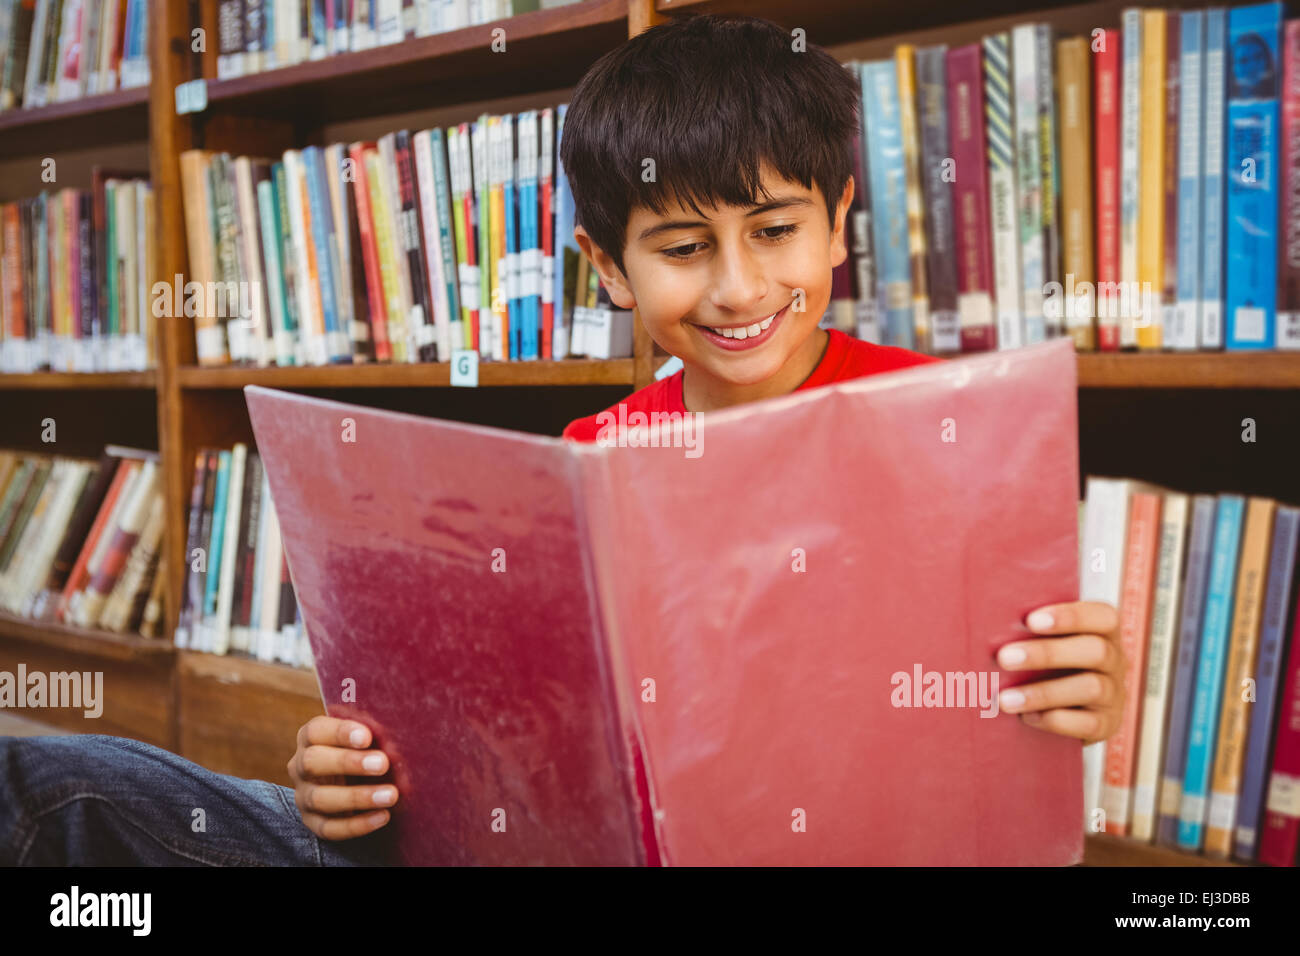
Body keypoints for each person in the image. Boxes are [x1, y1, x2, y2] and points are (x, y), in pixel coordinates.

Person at [0, 14, 1123, 865]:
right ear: (608, 271)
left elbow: (1018, 710)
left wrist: (1074, 698)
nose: (737, 287)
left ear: (837, 224)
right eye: (682, 246)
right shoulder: (590, 459)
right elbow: (494, 739)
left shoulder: (950, 424)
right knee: (55, 782)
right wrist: (351, 771)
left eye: (774, 231)